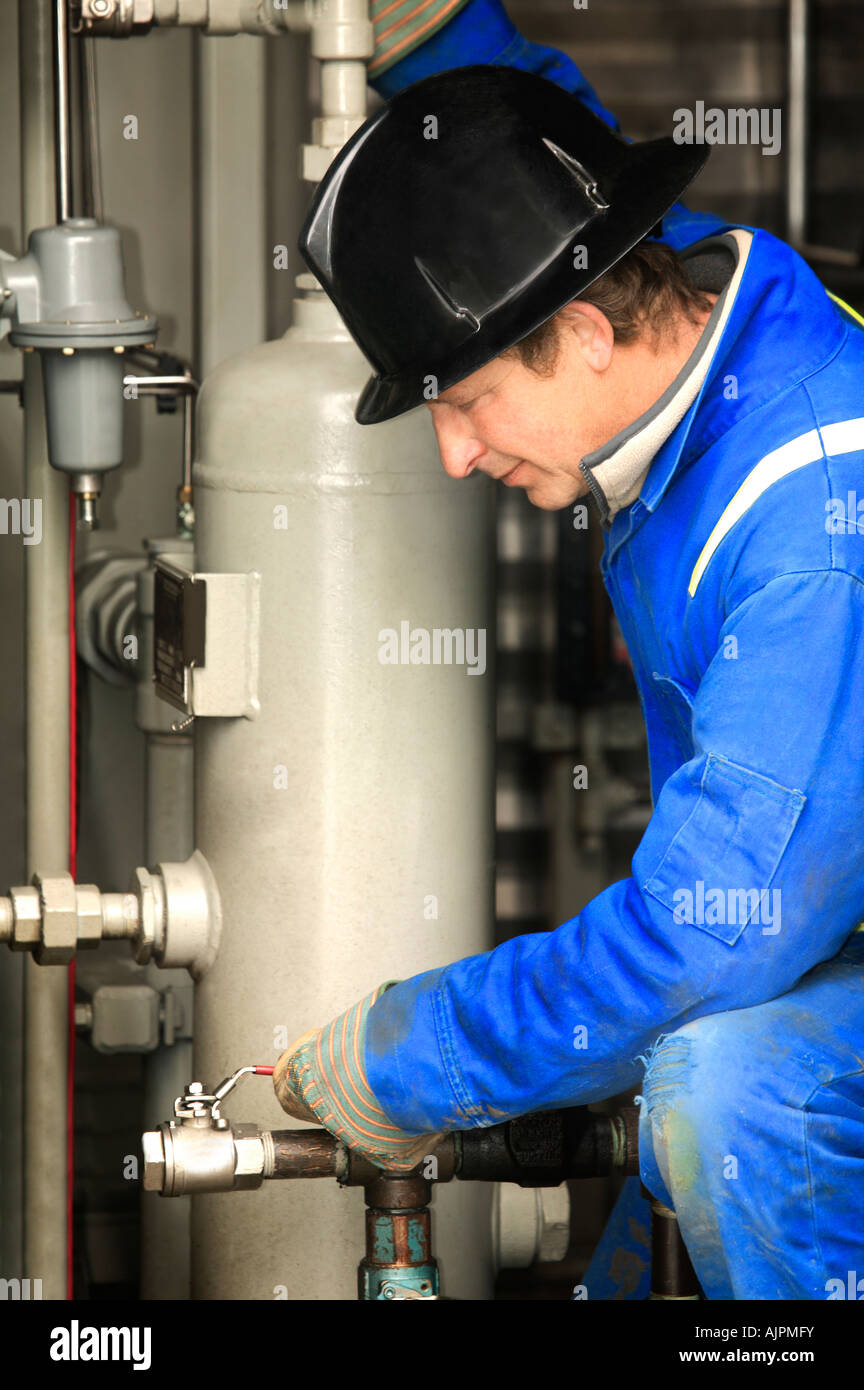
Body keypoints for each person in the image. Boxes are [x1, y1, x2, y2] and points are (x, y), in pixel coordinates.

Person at [274, 3, 864, 1300]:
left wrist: (404, 1053)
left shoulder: (813, 530)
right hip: (817, 928)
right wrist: (424, 31)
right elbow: (542, 147)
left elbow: (706, 939)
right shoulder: (675, 296)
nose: (456, 452)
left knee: (722, 1101)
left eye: (472, 400)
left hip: (794, 942)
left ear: (588, 335)